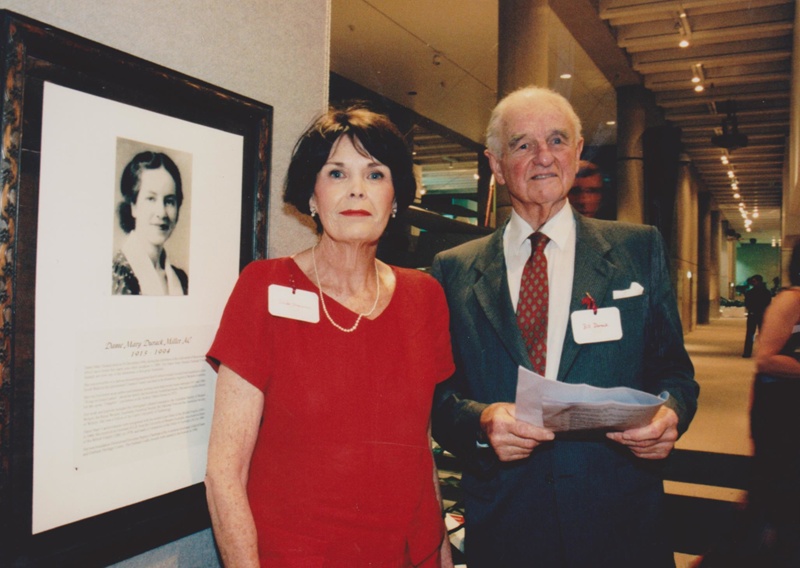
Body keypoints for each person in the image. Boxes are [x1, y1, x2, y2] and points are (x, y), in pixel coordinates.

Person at [430, 86, 699, 568]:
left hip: (620, 519)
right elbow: (440, 399)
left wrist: (670, 415)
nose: (543, 157)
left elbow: (675, 374)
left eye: (556, 140)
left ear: (576, 153)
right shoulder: (453, 270)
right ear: (495, 164)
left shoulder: (638, 250)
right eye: (523, 144)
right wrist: (482, 422)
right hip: (508, 521)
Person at [204, 105, 455, 567]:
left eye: (375, 175)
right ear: (312, 196)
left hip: (408, 554)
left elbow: (420, 448)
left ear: (395, 199)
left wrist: (440, 556)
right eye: (337, 173)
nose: (357, 189)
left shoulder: (425, 296)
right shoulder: (264, 287)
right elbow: (225, 472)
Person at [112, 151, 188, 295]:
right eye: (151, 199)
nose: (162, 213)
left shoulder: (181, 280)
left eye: (169, 201)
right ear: (133, 206)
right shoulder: (119, 275)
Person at [742, 274, 772, 358]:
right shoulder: (765, 292)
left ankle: (748, 352)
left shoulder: (751, 292)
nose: (753, 283)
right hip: (758, 314)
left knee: (752, 334)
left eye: (754, 281)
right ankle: (757, 352)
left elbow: (747, 303)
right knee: (753, 334)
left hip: (755, 314)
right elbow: (768, 303)